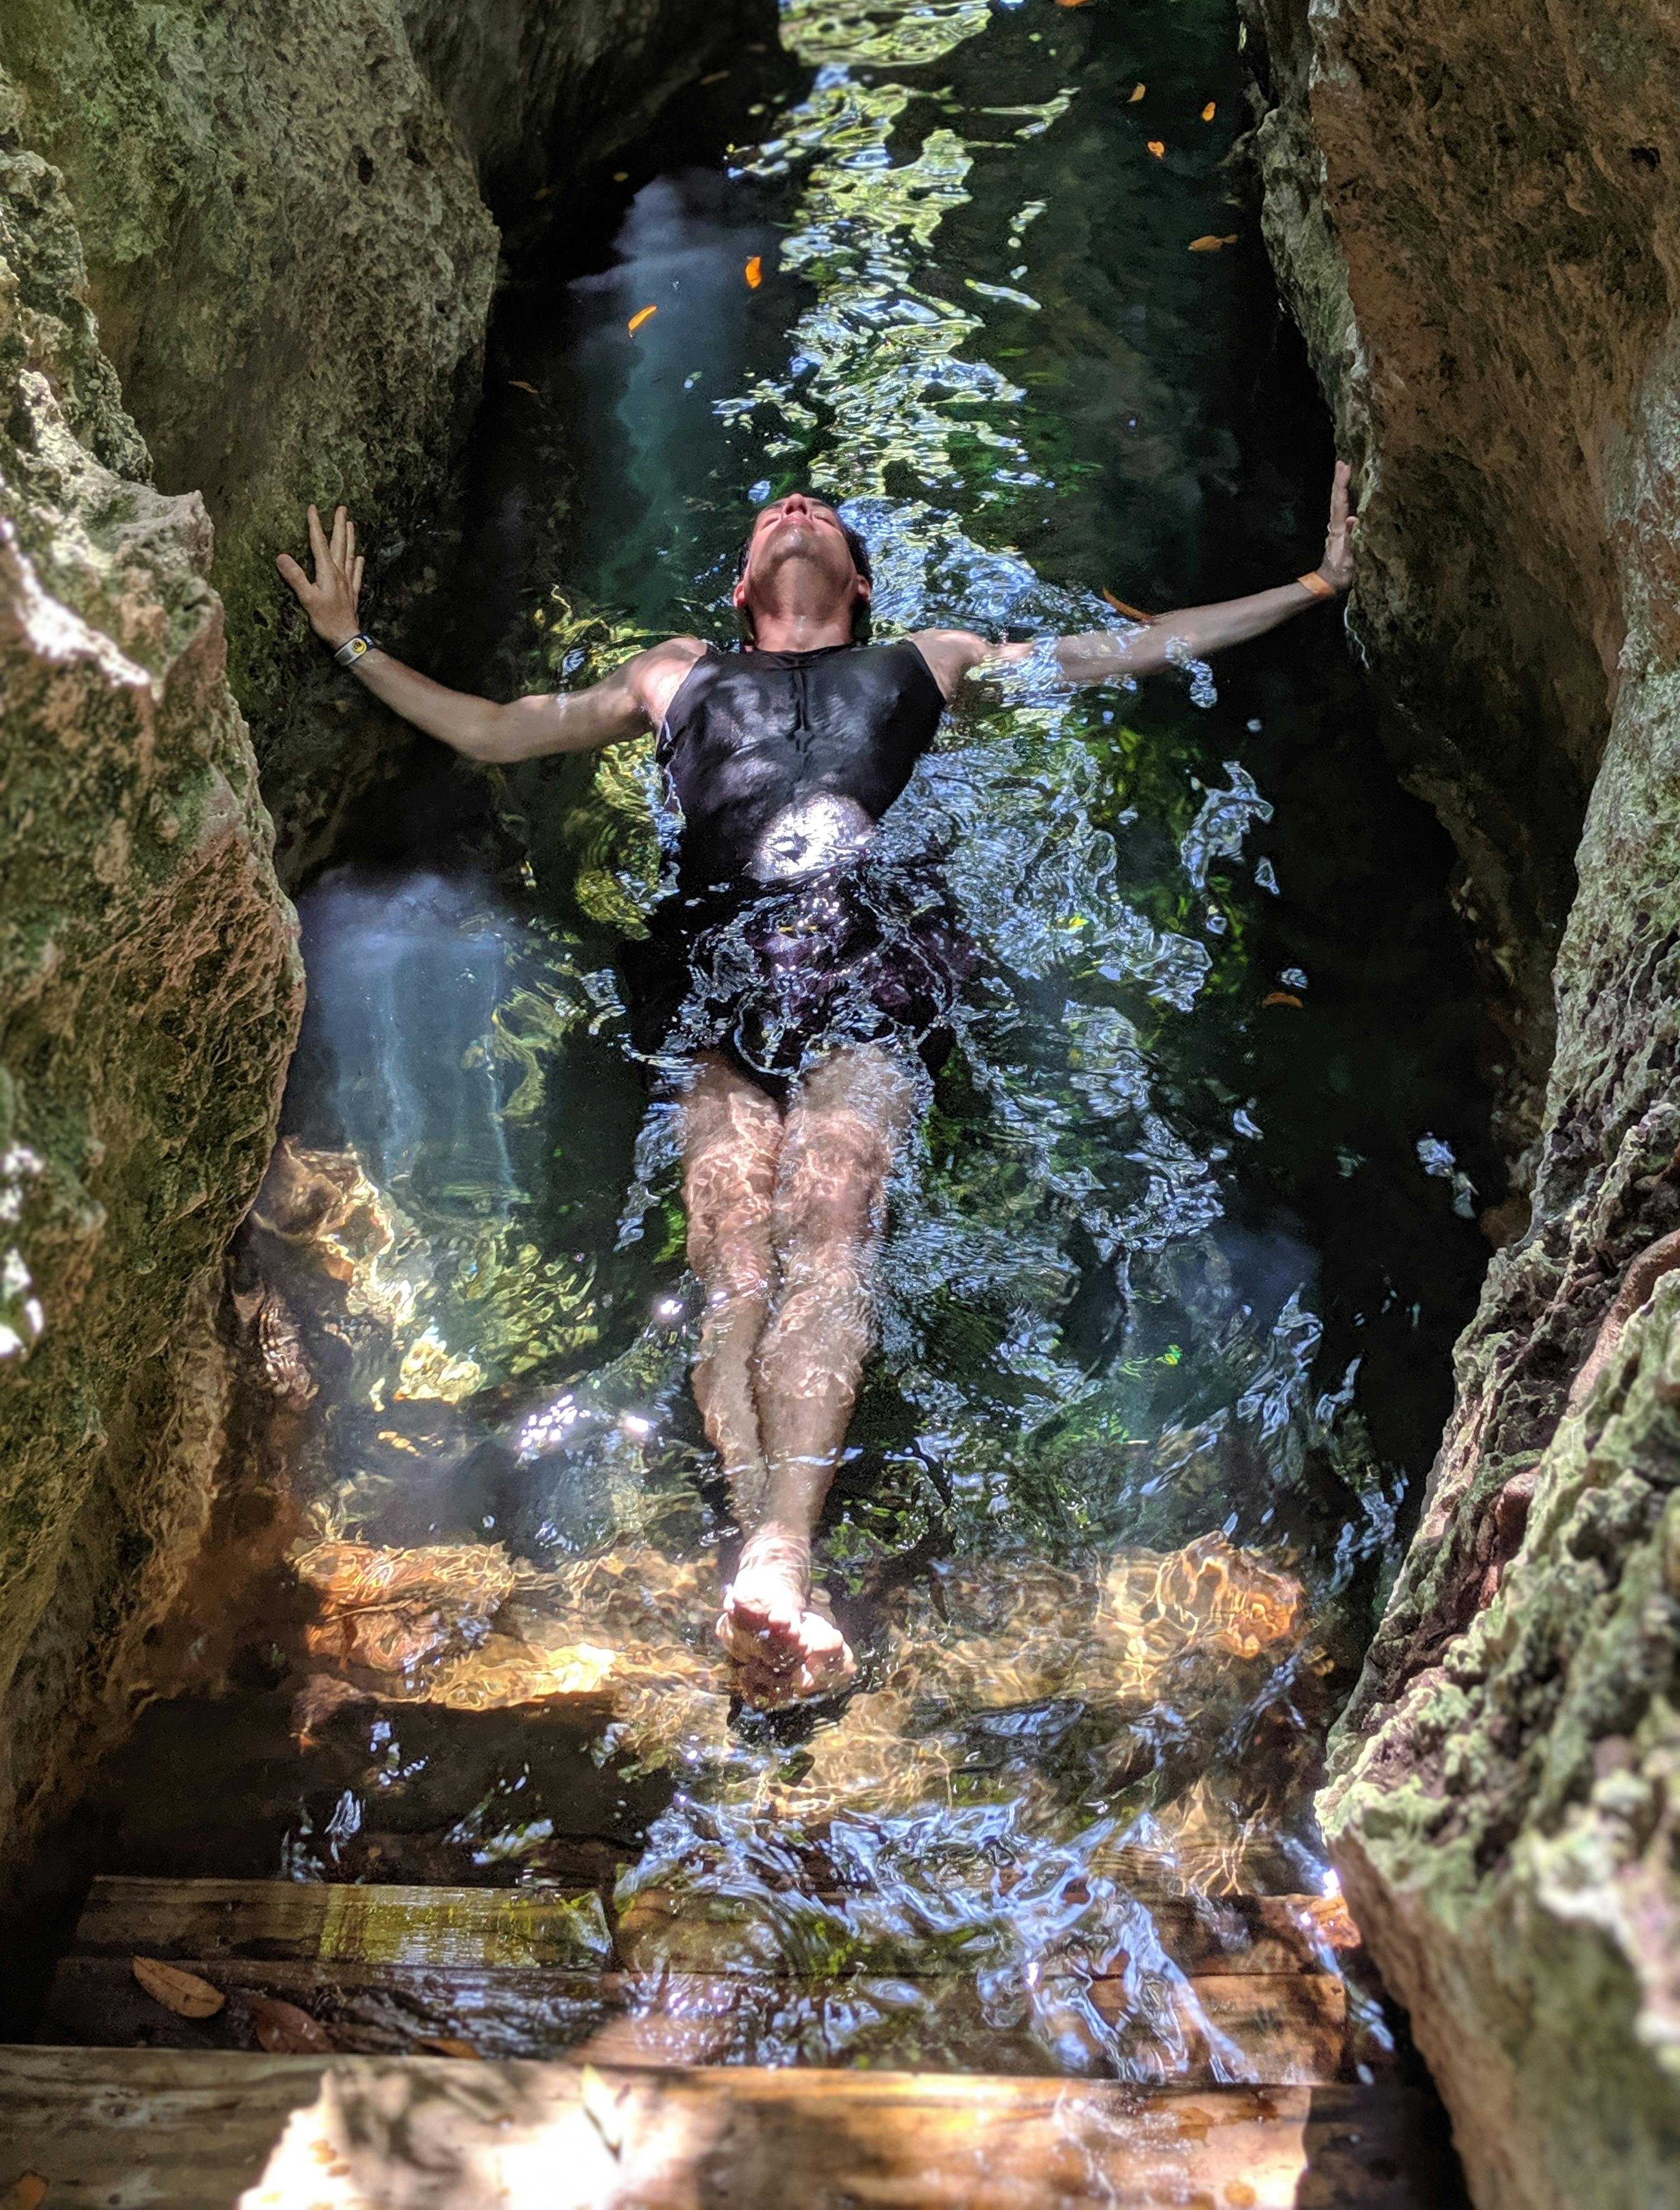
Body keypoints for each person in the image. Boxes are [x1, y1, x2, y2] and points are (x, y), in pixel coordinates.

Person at [278, 468, 1357, 1699]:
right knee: (733, 1252)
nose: (794, 506)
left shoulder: (932, 659)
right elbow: (493, 728)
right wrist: (348, 642)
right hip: (717, 965)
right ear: (744, 592)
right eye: (773, 514)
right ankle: (773, 1566)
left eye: (821, 513)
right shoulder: (673, 675)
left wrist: (1315, 584)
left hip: (872, 949)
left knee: (832, 1216)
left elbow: (1129, 649)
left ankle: (782, 1554)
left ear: (860, 582)